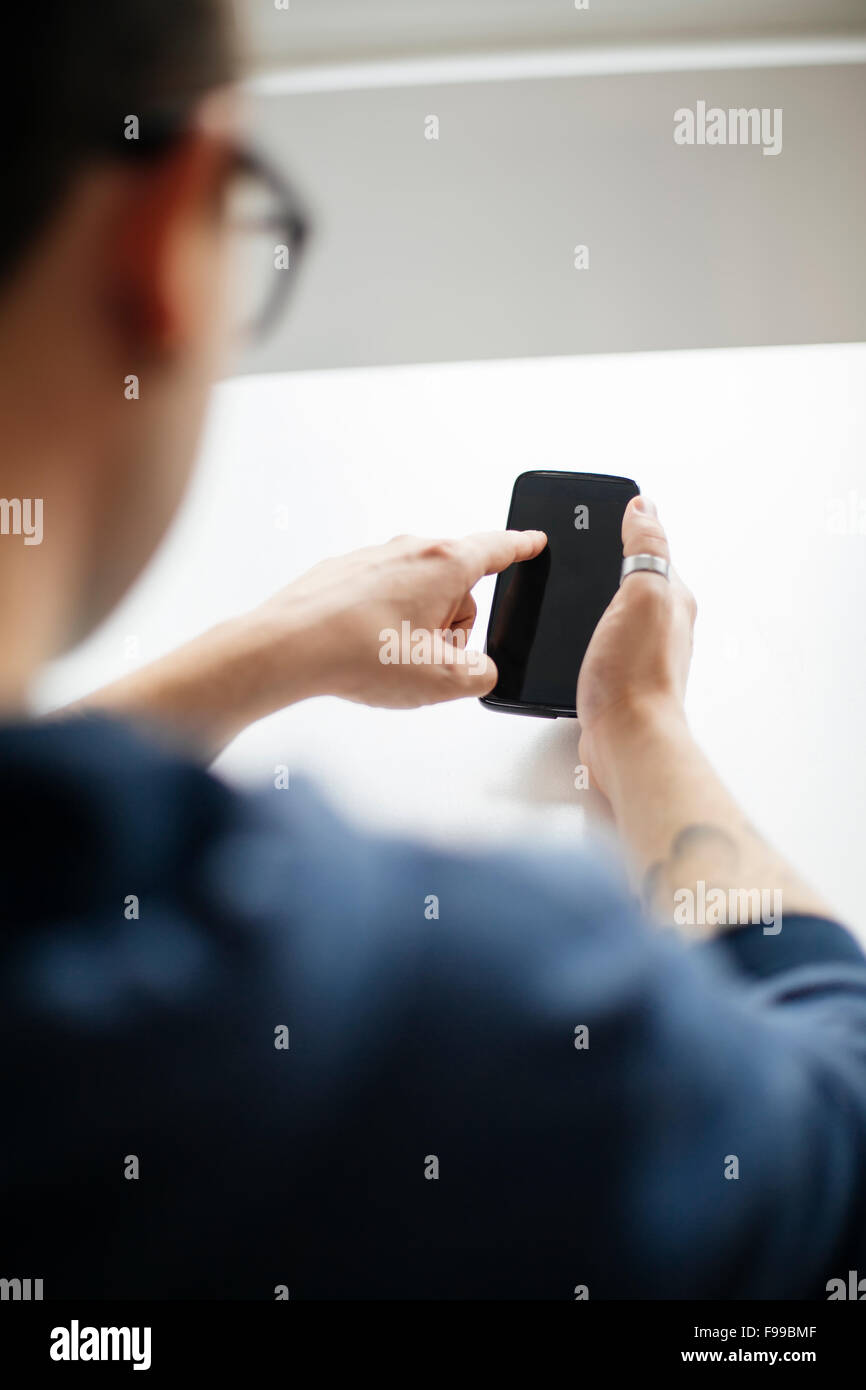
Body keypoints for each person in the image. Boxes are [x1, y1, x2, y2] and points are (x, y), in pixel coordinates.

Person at [2, 0, 865, 1301]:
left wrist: (265, 648)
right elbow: (834, 1105)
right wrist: (637, 727)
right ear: (162, 233)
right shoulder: (446, 1005)